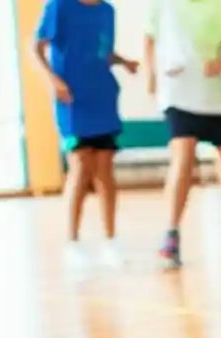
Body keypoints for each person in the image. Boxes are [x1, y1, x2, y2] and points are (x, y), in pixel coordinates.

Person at [144, 0, 221, 269]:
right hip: (178, 94)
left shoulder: (220, 8)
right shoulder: (163, 7)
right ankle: (171, 233)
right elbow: (149, 39)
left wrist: (219, 64)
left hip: (215, 97)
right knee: (183, 158)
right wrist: (151, 74)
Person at [33, 0, 138, 258]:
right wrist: (52, 80)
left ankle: (111, 240)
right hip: (72, 100)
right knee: (80, 165)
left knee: (105, 169)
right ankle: (73, 242)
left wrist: (124, 62)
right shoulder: (59, 7)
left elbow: (102, 51)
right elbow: (34, 48)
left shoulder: (107, 11)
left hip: (103, 97)